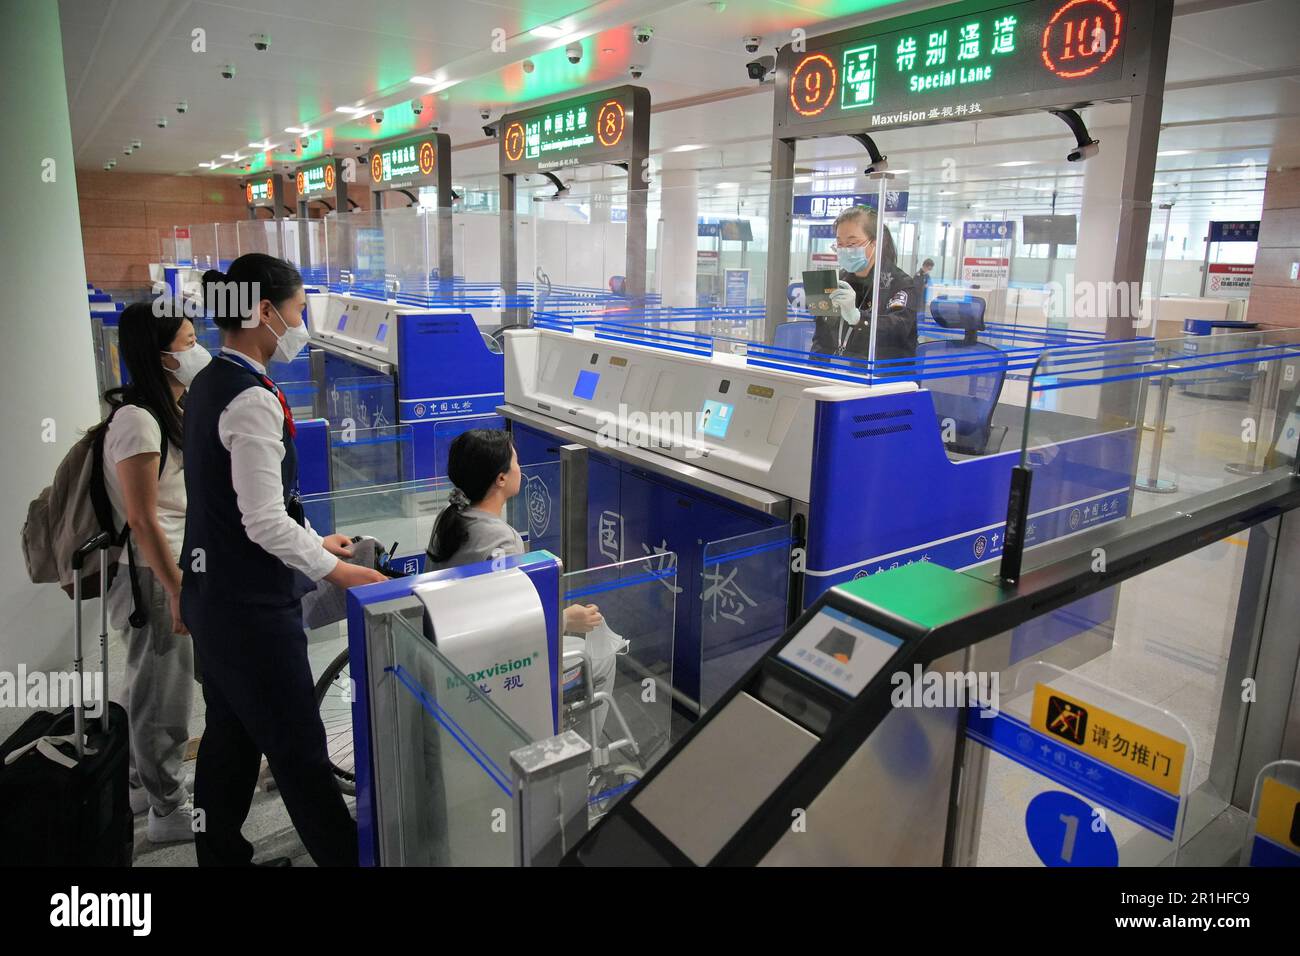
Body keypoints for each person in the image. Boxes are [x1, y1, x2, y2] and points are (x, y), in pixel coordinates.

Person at [181, 253, 387, 867]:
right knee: (298, 747)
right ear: (265, 312)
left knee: (230, 741)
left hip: (211, 598)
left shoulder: (208, 381)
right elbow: (262, 519)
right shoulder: (251, 401)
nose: (303, 325)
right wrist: (339, 572)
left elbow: (242, 498)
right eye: (299, 311)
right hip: (250, 613)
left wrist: (315, 540)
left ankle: (218, 856)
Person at [98, 302, 206, 844]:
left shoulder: (168, 410)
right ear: (161, 356)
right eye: (188, 342)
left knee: (153, 684)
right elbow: (142, 518)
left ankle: (144, 784)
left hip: (163, 571)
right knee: (163, 693)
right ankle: (168, 809)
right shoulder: (140, 419)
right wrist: (177, 587)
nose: (196, 349)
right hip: (152, 576)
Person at [424, 430, 612, 725]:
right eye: (516, 461)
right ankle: (584, 762)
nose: (520, 469)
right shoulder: (502, 540)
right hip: (489, 667)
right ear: (501, 479)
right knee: (602, 660)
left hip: (448, 650)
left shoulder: (448, 518)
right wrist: (566, 620)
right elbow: (512, 628)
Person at [811, 205, 918, 365]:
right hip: (834, 378)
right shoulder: (834, 280)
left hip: (881, 378)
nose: (844, 250)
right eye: (839, 244)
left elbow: (898, 328)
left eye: (852, 244)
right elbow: (821, 339)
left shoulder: (899, 283)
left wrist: (858, 318)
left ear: (874, 243)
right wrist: (814, 374)